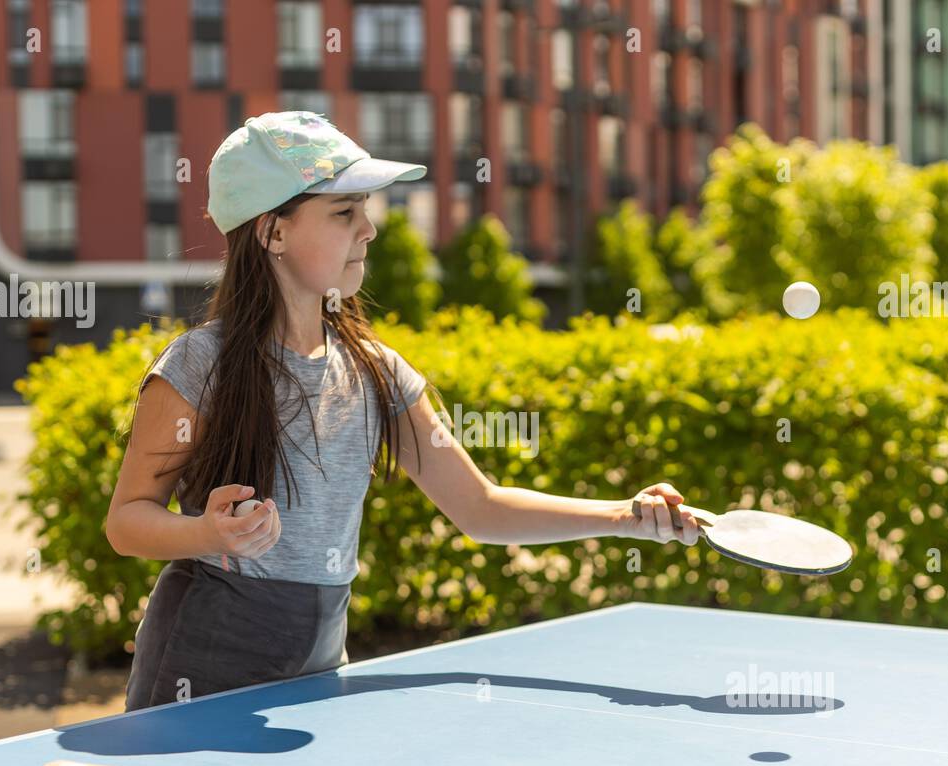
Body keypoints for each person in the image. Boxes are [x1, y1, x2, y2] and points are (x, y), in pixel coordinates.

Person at [106, 110, 703, 712]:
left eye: (364, 212)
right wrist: (207, 534)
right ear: (272, 233)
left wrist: (625, 516)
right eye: (344, 213)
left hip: (315, 673)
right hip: (198, 673)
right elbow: (126, 521)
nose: (368, 230)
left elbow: (481, 508)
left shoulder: (376, 370)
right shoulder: (197, 364)